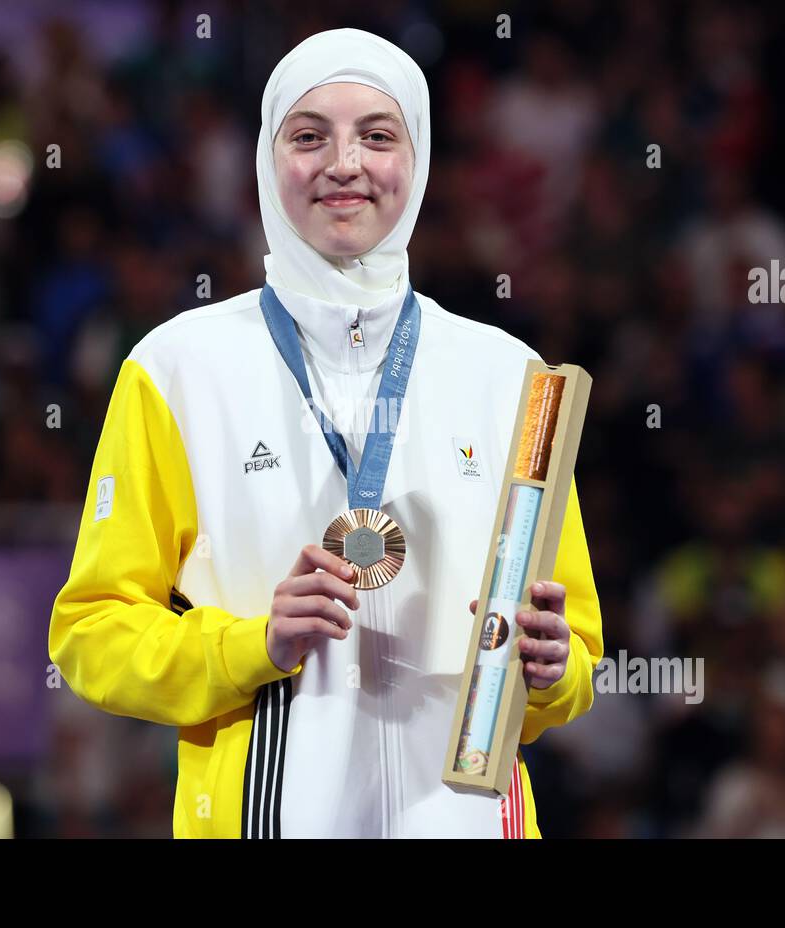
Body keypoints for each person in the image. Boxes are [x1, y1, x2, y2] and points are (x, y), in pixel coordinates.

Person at [48, 27, 603, 838]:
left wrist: (555, 670)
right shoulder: (176, 370)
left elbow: (576, 649)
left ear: (416, 163)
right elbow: (91, 633)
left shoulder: (514, 377)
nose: (344, 162)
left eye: (378, 135)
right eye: (308, 136)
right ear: (268, 165)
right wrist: (251, 646)